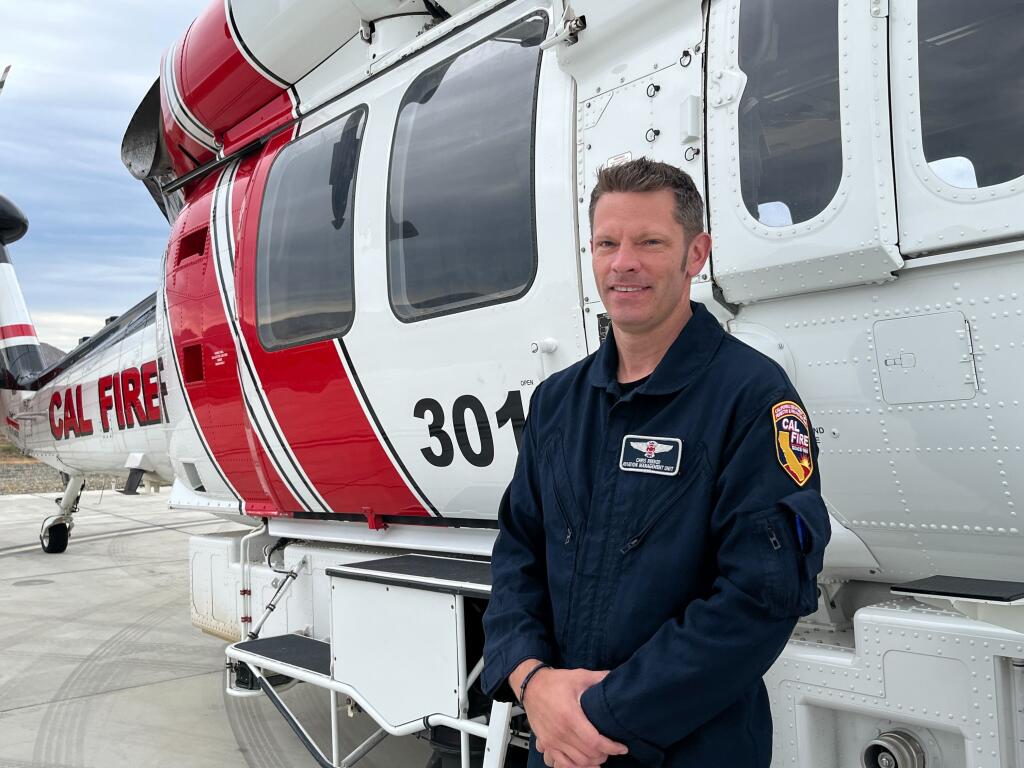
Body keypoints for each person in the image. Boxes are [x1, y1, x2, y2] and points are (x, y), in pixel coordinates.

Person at [481, 158, 831, 768]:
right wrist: (532, 681)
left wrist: (598, 718)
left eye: (650, 242)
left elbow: (759, 596)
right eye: (607, 243)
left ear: (696, 254)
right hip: (560, 747)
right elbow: (518, 552)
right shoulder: (558, 402)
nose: (624, 263)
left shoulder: (751, 397)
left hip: (683, 749)